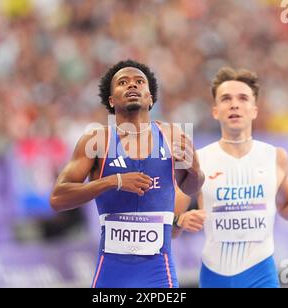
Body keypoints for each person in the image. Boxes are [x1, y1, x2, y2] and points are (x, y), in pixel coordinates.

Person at [50, 60, 205, 288]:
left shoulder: (172, 136)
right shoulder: (96, 141)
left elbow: (191, 188)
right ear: (112, 100)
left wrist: (194, 170)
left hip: (158, 271)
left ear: (150, 98)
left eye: (139, 82)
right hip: (112, 271)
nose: (132, 85)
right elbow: (57, 199)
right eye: (123, 83)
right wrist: (114, 181)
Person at [176, 67, 288, 288]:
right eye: (226, 99)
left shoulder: (276, 156)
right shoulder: (198, 160)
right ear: (215, 111)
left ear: (254, 110)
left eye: (243, 98)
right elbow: (171, 224)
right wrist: (181, 220)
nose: (234, 104)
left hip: (261, 273)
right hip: (215, 275)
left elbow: (287, 206)